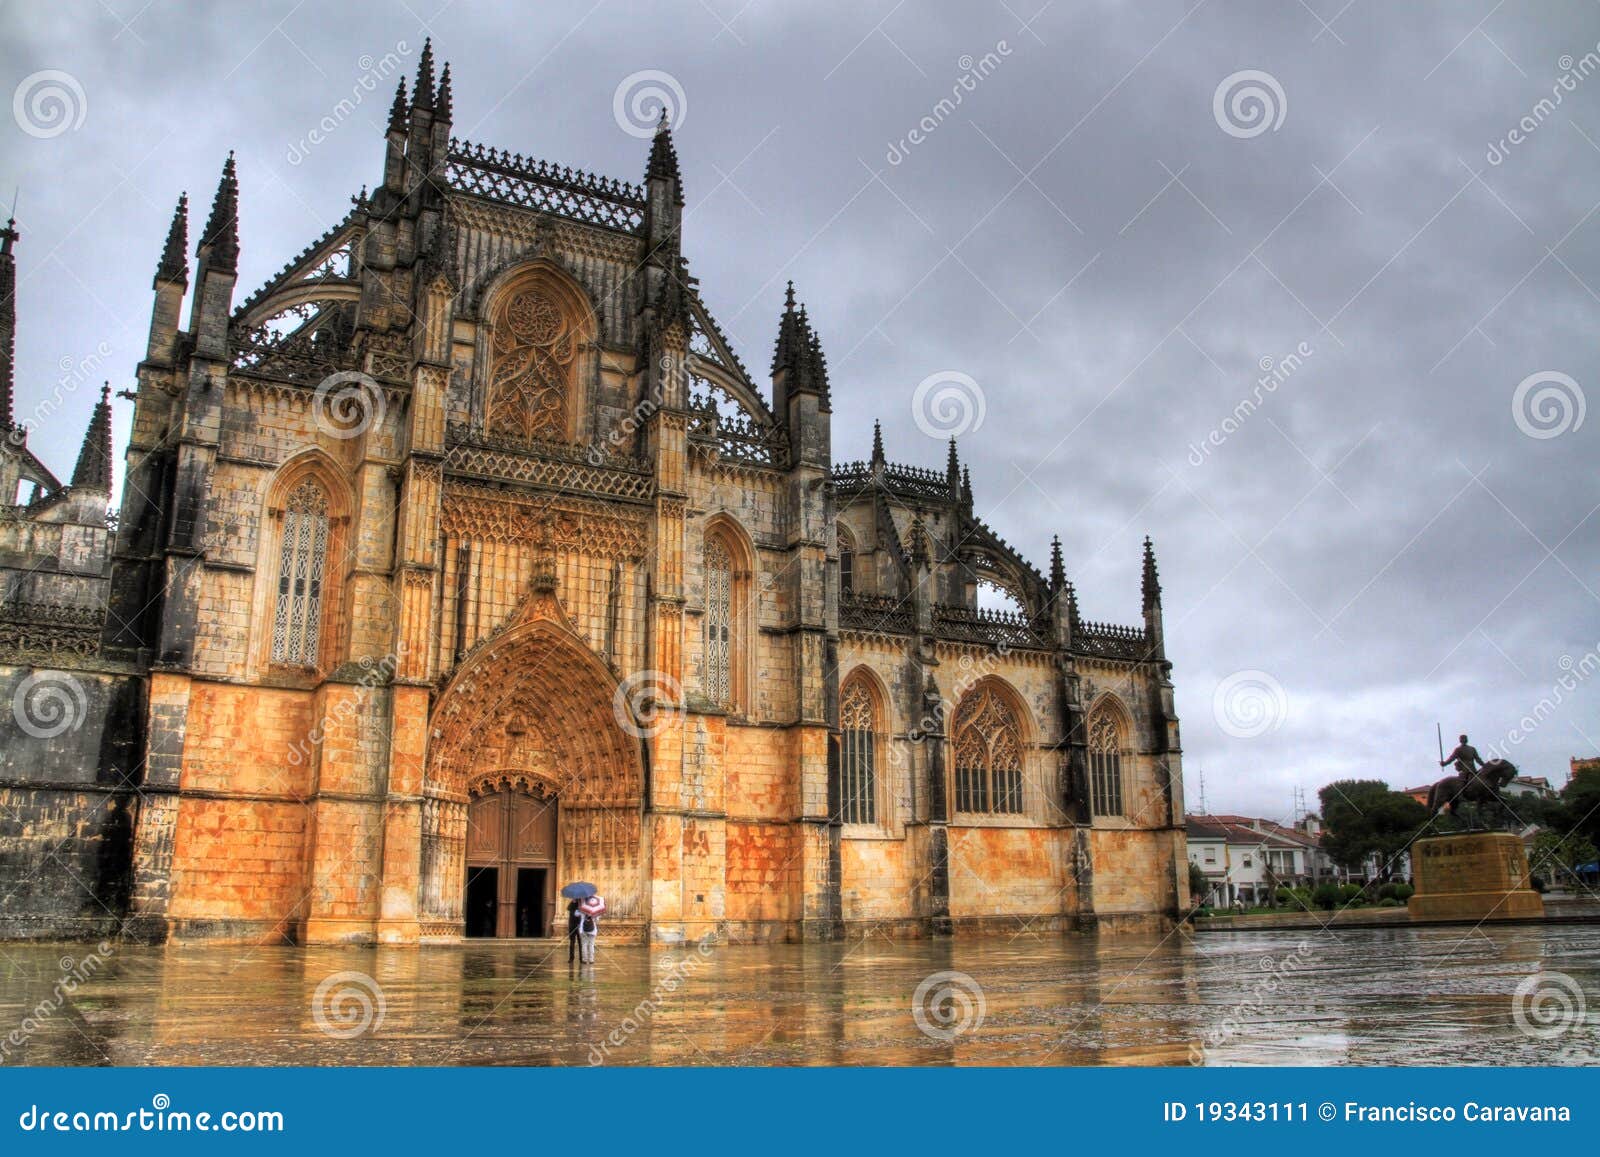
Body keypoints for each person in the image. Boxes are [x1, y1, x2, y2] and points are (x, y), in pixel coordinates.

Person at [566, 898, 581, 963]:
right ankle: (571, 958)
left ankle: (581, 958)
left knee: (580, 943)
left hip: (579, 926)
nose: (574, 899)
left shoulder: (581, 905)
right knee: (572, 942)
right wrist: (573, 901)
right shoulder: (571, 905)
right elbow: (568, 908)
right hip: (572, 926)